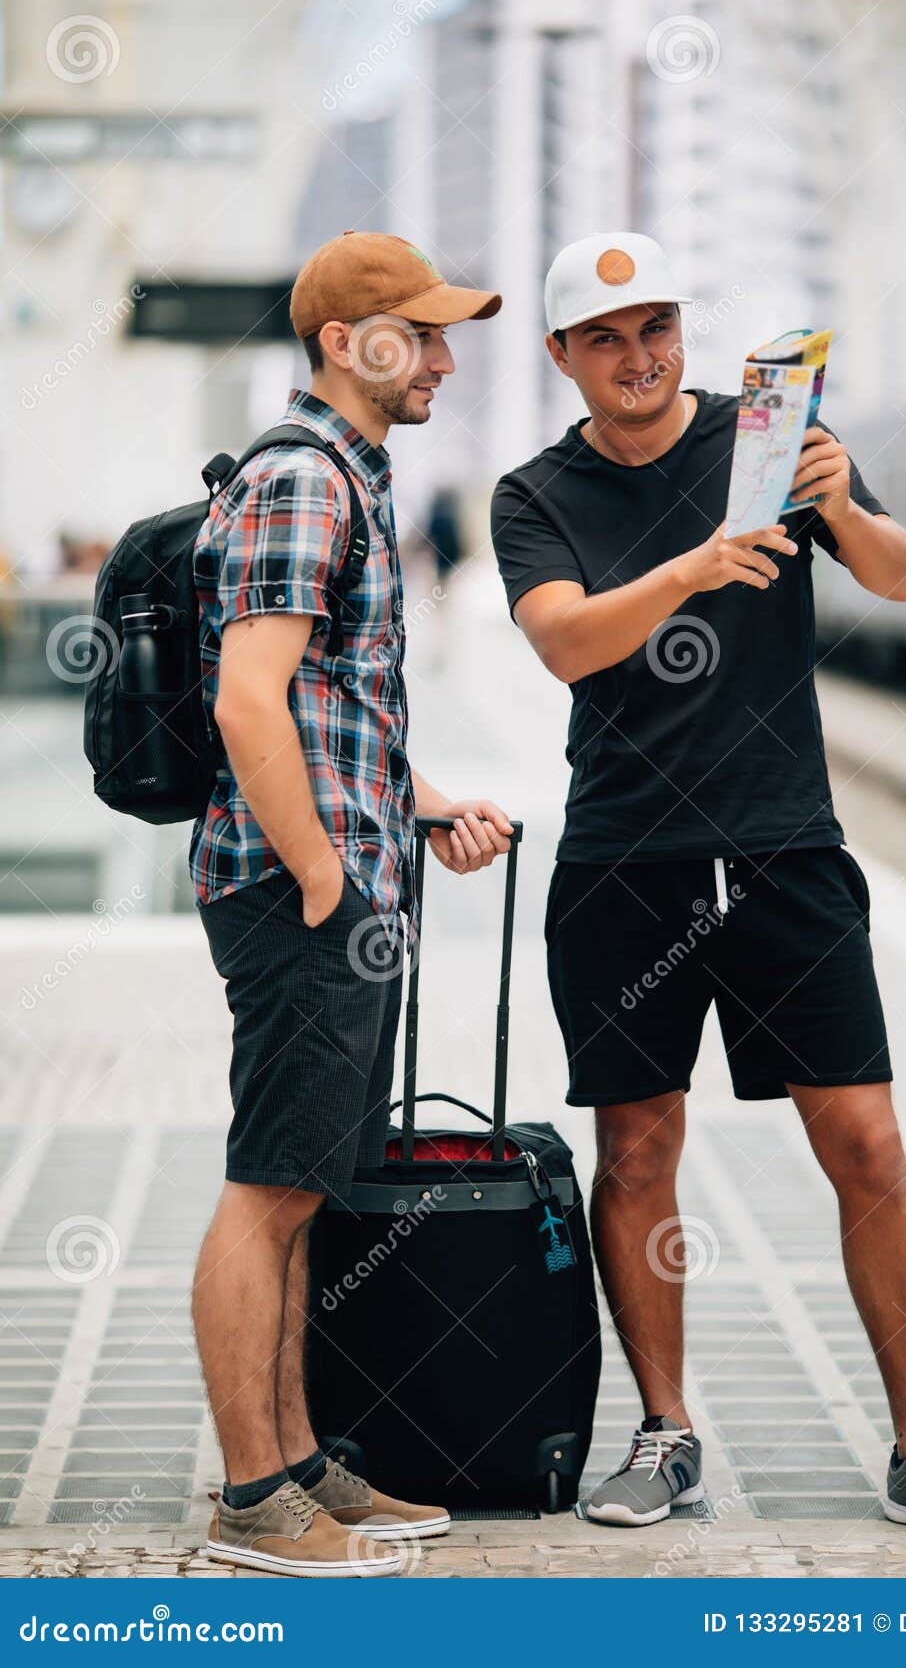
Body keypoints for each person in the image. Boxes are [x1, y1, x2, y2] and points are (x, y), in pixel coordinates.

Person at [490, 231, 906, 1546]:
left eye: (657, 327)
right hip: (623, 860)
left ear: (682, 329)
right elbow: (564, 641)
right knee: (637, 1152)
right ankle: (665, 1433)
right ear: (563, 356)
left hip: (786, 850)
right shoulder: (533, 493)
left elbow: (899, 574)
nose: (640, 356)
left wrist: (842, 505)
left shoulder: (771, 439)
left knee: (868, 1145)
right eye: (607, 337)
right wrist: (690, 568)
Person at [191, 232, 513, 1577]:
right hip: (299, 897)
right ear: (345, 341)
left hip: (339, 885)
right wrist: (325, 873)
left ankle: (298, 1461)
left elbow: (334, 710)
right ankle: (252, 1499)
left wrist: (419, 806)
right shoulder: (302, 479)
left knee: (302, 1191)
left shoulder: (349, 479)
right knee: (267, 1195)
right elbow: (247, 700)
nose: (443, 358)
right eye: (420, 334)